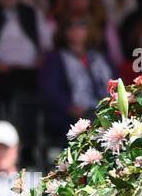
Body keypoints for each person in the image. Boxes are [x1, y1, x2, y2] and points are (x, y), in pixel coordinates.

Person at [40, 13, 113, 145]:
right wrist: (70, 107)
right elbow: (50, 90)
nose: (76, 30)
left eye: (82, 25)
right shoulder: (55, 58)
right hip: (72, 116)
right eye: (70, 26)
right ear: (64, 31)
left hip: (105, 110)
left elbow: (116, 82)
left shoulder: (101, 56)